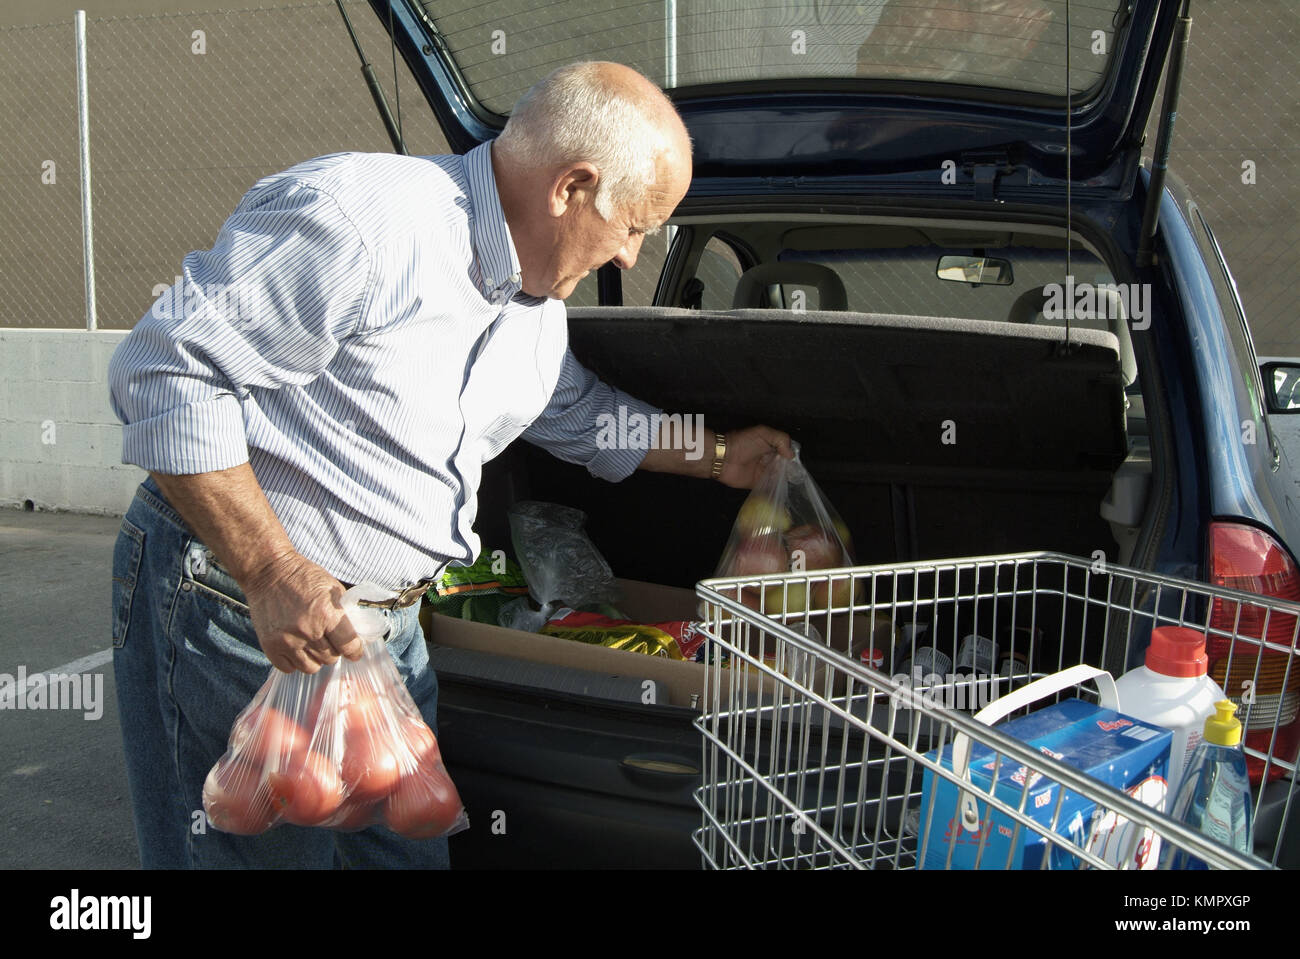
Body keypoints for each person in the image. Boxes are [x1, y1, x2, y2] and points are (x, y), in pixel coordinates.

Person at [107, 60, 793, 869]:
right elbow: (165, 369)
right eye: (634, 225)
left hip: (386, 631)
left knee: (405, 858)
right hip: (245, 612)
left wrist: (718, 458)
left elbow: (573, 412)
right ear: (570, 187)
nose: (630, 258)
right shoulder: (360, 221)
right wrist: (269, 569)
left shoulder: (532, 309)